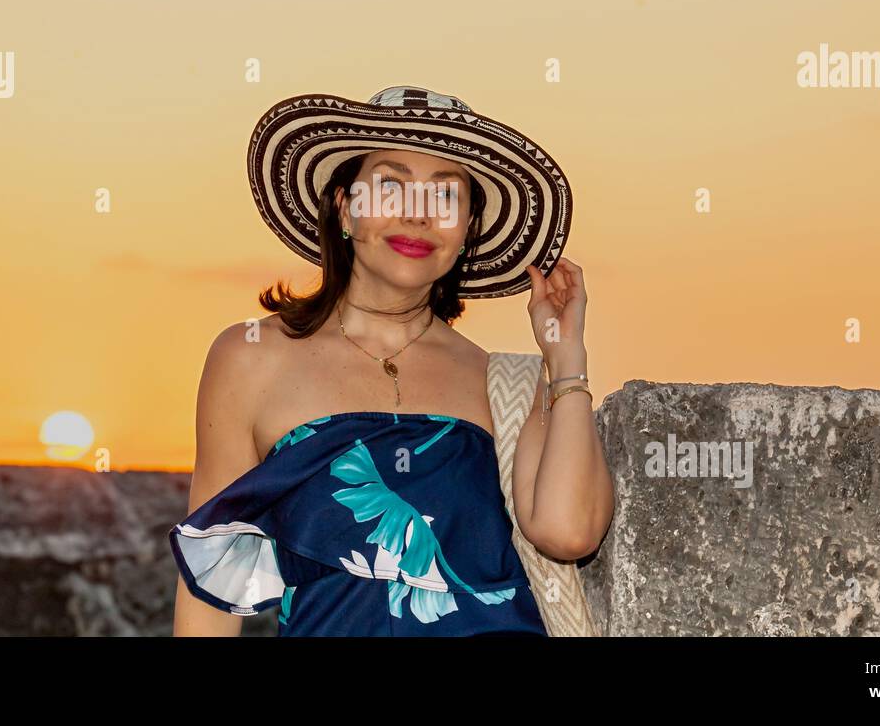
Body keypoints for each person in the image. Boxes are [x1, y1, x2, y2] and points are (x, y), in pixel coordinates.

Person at [169, 86, 613, 636]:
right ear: (344, 208)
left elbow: (569, 535)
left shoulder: (505, 383)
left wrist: (566, 358)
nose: (419, 215)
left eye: (446, 196)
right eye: (390, 186)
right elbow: (211, 588)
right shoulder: (250, 358)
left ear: (468, 229)